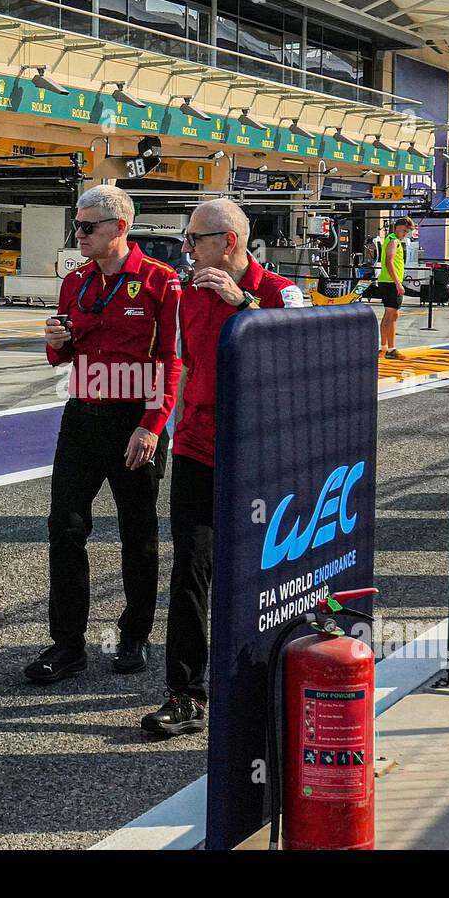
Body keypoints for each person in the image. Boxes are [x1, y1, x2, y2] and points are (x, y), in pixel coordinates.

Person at [141, 198, 305, 737]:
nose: (186, 249)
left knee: (265, 571)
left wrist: (243, 305)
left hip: (259, 454)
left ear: (228, 242)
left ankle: (272, 674)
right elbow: (175, 359)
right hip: (196, 445)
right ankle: (185, 694)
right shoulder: (187, 293)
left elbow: (302, 352)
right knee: (189, 566)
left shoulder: (279, 291)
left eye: (195, 240)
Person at [24, 185, 182, 684]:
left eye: (87, 226)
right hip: (83, 415)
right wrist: (55, 343)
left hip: (136, 419)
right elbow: (65, 350)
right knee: (65, 528)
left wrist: (152, 426)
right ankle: (67, 644)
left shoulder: (162, 282)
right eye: (77, 225)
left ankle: (135, 635)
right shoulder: (75, 282)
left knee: (138, 532)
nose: (79, 234)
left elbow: (171, 360)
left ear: (119, 228)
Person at [376, 216, 413, 361]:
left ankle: (384, 346)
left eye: (407, 232)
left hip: (386, 281)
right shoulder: (394, 241)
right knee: (392, 316)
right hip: (391, 282)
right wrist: (398, 283)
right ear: (398, 227)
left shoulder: (390, 238)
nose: (405, 234)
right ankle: (391, 349)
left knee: (389, 314)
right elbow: (389, 261)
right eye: (404, 231)